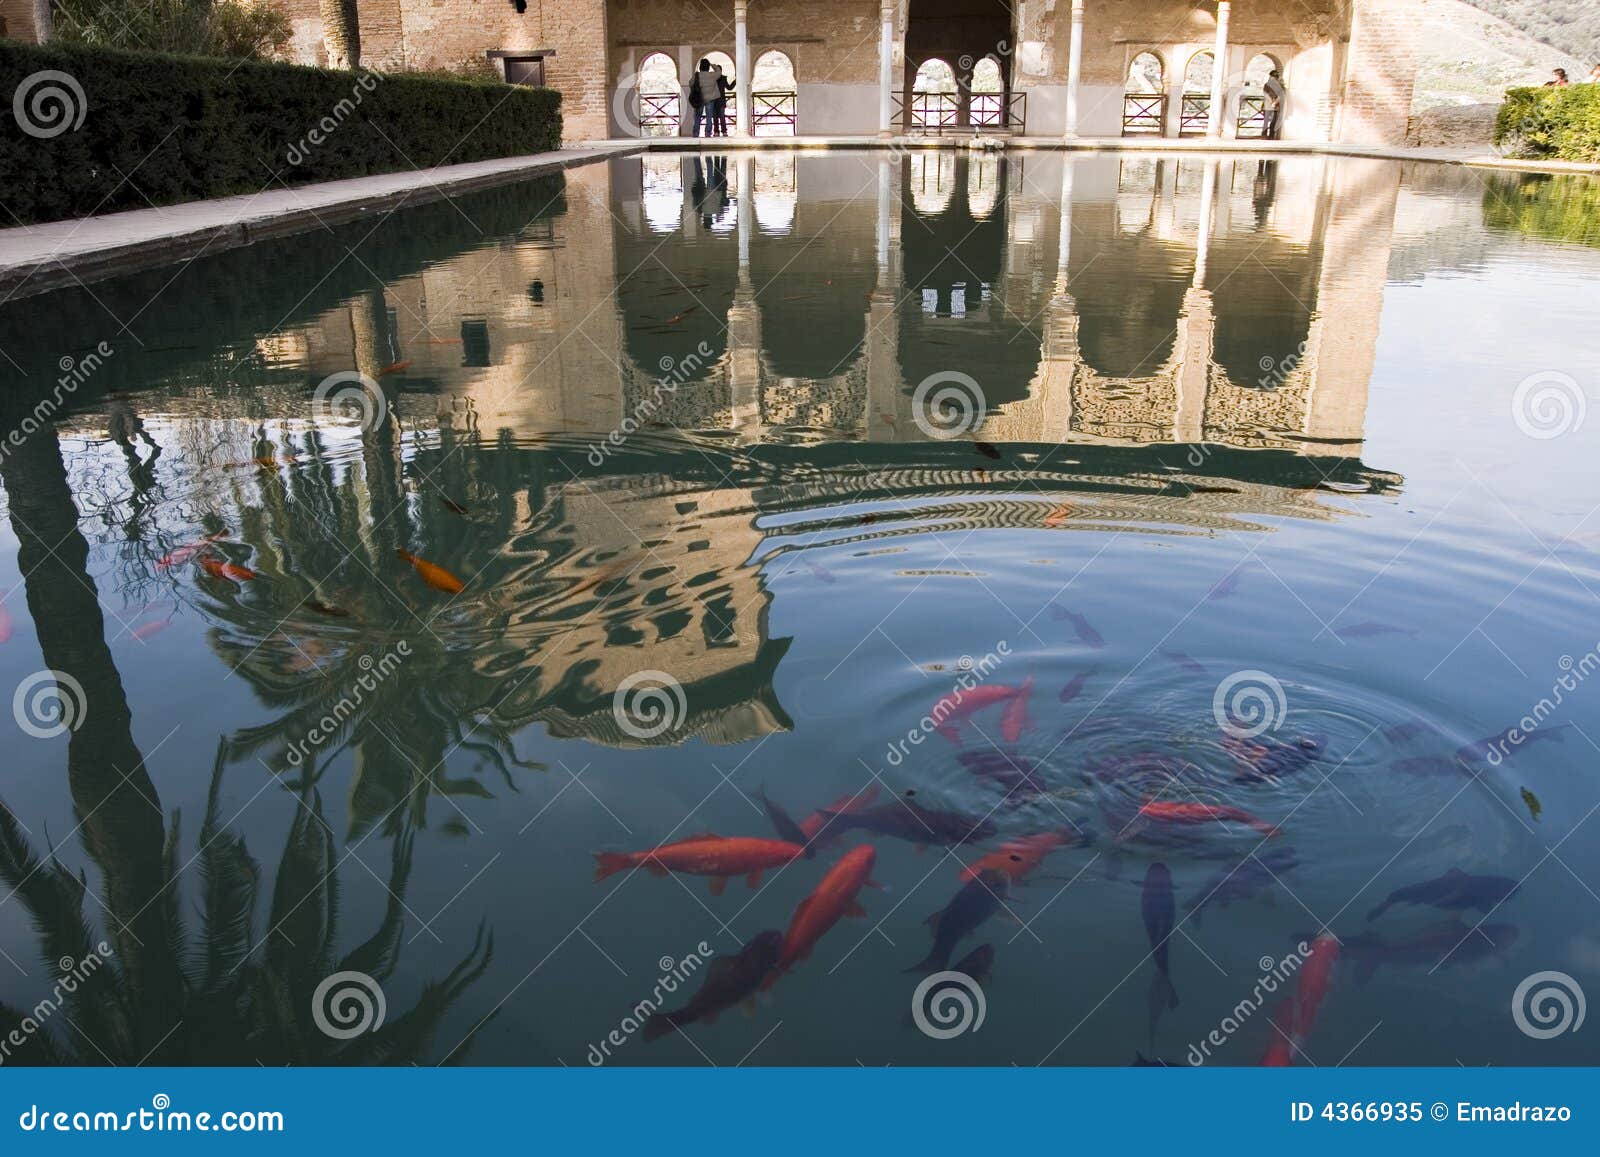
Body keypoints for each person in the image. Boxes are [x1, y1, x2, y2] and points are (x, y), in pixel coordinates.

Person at [692, 59, 723, 136]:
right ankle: (707, 133)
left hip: (699, 98)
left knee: (698, 116)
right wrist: (712, 64)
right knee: (709, 117)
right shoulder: (712, 75)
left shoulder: (697, 76)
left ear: (700, 67)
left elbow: (690, 83)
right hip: (710, 99)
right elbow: (719, 72)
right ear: (708, 67)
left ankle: (696, 132)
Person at [1262, 69, 1286, 140]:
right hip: (1270, 105)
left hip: (1272, 105)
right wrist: (1273, 102)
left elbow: (1280, 95)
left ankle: (1270, 136)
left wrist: (1274, 102)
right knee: (1268, 121)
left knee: (1272, 121)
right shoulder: (1267, 84)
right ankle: (1266, 135)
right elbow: (1266, 94)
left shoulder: (1276, 85)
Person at [713, 68, 736, 137]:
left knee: (717, 117)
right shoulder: (722, 78)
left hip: (715, 101)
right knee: (720, 117)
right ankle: (722, 131)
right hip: (719, 101)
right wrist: (735, 81)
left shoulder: (714, 79)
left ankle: (718, 132)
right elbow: (729, 88)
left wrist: (736, 80)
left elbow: (729, 88)